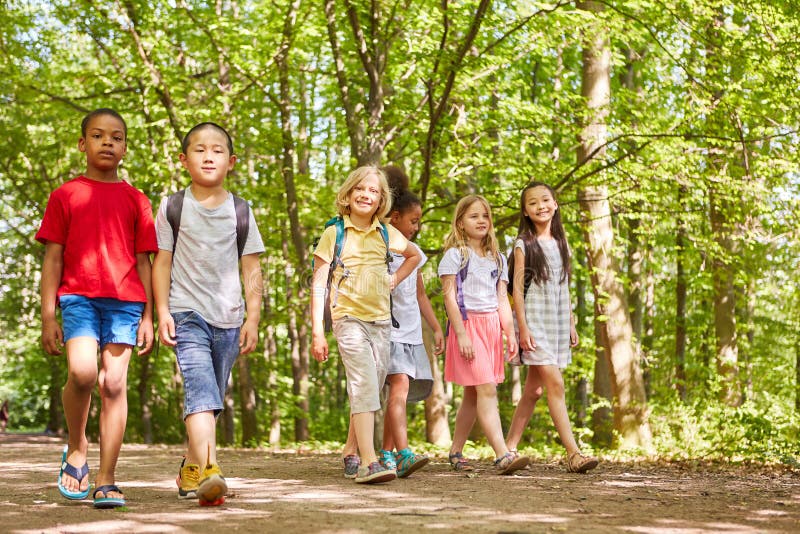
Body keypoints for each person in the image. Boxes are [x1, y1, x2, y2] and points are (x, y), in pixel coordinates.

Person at [37, 108, 157, 509]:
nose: (108, 142)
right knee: (83, 373)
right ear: (82, 143)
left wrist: (149, 316)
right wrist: (48, 315)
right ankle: (76, 446)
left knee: (114, 384)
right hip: (77, 298)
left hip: (126, 303)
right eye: (98, 135)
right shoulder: (65, 195)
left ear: (125, 147)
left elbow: (145, 262)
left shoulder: (136, 200)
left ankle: (107, 478)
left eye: (117, 137)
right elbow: (52, 259)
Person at [152, 122, 264, 505]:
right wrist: (163, 310)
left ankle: (191, 465)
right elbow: (162, 262)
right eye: (199, 149)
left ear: (231, 162)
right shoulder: (171, 206)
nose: (208, 155)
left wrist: (253, 317)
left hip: (229, 318)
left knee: (211, 397)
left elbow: (251, 268)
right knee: (200, 388)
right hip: (187, 313)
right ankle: (212, 469)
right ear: (184, 160)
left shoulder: (241, 210)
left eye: (217, 149)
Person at [311, 165, 421, 484]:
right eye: (361, 188)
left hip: (382, 323)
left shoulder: (386, 233)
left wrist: (394, 279)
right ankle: (368, 462)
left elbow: (414, 256)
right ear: (348, 193)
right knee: (363, 386)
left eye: (374, 191)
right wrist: (318, 331)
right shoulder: (335, 232)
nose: (366, 195)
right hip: (347, 319)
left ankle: (350, 450)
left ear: (381, 200)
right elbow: (319, 284)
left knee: (369, 388)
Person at [505, 182, 598, 473]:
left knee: (533, 392)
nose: (540, 206)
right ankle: (573, 453)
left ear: (555, 204)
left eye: (545, 200)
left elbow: (564, 285)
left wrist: (570, 321)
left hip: (556, 322)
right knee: (555, 385)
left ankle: (507, 449)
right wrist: (523, 328)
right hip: (534, 323)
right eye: (532, 203)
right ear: (525, 211)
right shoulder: (524, 244)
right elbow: (517, 290)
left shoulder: (561, 242)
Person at [438, 195, 529, 475]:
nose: (481, 221)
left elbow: (502, 299)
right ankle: (502, 454)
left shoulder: (498, 258)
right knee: (486, 388)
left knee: (472, 394)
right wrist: (462, 334)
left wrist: (510, 332)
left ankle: (455, 450)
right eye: (474, 216)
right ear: (460, 223)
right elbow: (449, 299)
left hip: (491, 328)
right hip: (467, 327)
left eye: (485, 216)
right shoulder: (455, 255)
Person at [377, 166, 444, 478]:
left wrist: (436, 327)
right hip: (388, 332)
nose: (416, 227)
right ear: (394, 218)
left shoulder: (413, 254)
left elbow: (419, 295)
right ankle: (403, 453)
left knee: (397, 394)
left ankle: (387, 454)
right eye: (413, 221)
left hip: (411, 334)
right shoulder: (381, 248)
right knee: (399, 387)